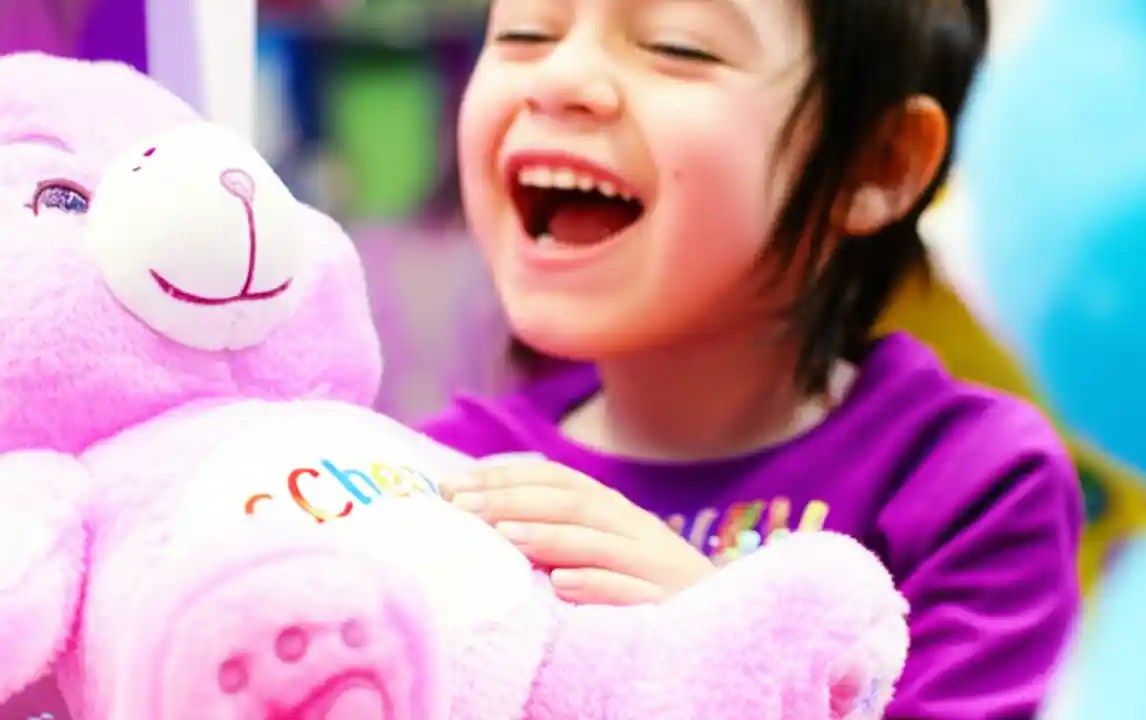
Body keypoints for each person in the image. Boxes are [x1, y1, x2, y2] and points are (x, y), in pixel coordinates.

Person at [423, 0, 1084, 717]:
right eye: (527, 33)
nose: (561, 78)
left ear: (877, 161)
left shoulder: (971, 483)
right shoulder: (436, 477)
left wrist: (728, 645)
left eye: (678, 46)